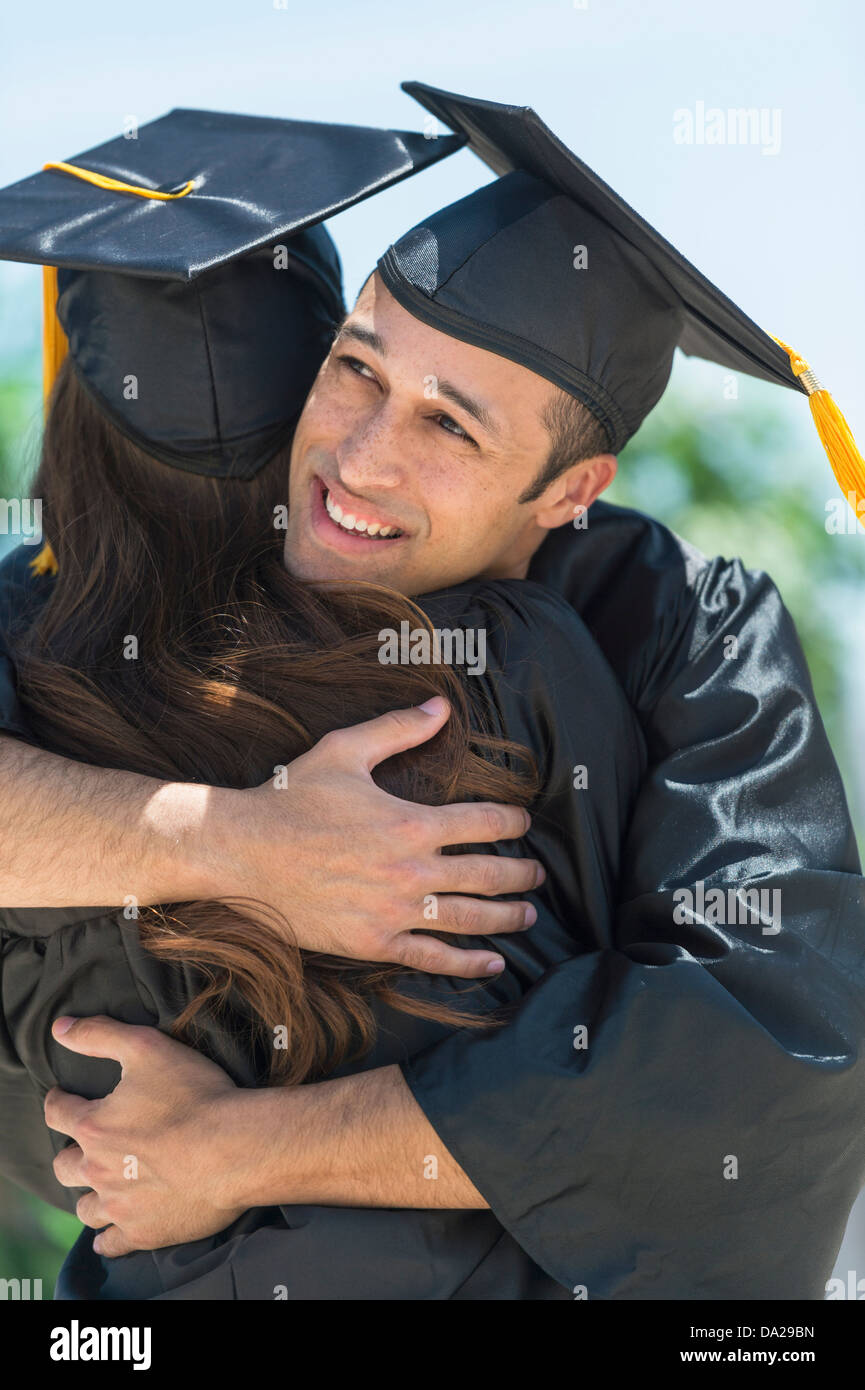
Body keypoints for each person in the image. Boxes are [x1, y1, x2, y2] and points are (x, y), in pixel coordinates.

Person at [1, 86, 864, 1299]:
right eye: (355, 368)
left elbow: (765, 1042)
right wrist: (244, 843)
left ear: (573, 487)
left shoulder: (673, 626)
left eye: (450, 429)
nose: (357, 459)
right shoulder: (127, 603)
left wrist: (236, 1149)